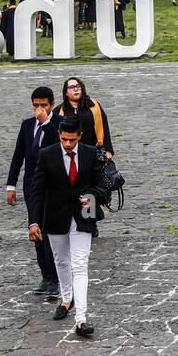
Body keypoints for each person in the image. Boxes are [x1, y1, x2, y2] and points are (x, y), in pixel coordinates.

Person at [28, 115, 111, 337]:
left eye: (72, 140)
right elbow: (36, 190)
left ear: (80, 136)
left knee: (80, 265)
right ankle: (66, 299)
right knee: (61, 261)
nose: (67, 144)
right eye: (64, 139)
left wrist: (92, 195)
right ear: (59, 135)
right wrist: (33, 221)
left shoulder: (90, 153)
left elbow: (102, 184)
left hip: (85, 213)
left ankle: (81, 318)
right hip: (55, 215)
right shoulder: (47, 155)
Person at [7, 86, 61, 297]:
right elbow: (18, 155)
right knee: (36, 232)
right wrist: (11, 185)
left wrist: (46, 123)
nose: (39, 109)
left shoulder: (59, 124)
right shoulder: (27, 125)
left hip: (52, 187)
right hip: (31, 187)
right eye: (36, 105)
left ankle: (56, 278)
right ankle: (46, 276)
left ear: (52, 105)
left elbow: (58, 145)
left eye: (43, 106)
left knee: (49, 233)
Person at [55, 77, 114, 156]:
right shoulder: (59, 111)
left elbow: (104, 125)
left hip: (94, 150)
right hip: (70, 153)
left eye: (78, 86)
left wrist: (108, 149)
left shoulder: (94, 105)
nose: (76, 89)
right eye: (72, 87)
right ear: (66, 92)